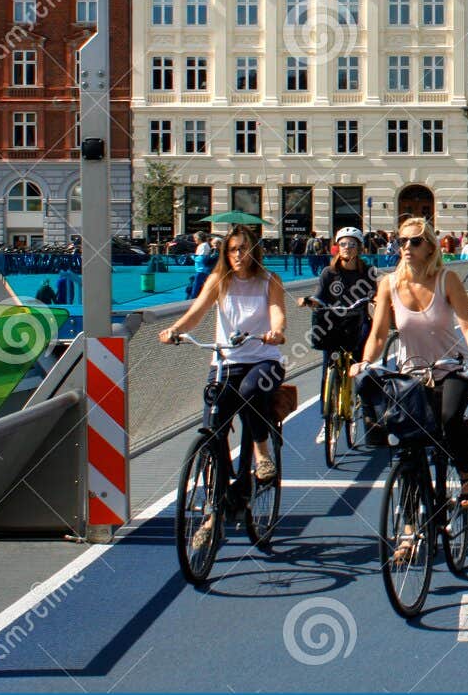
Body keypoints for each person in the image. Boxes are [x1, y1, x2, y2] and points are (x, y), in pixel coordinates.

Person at [352, 216, 468, 518]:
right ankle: (407, 528)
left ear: (430, 246)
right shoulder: (388, 284)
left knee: (450, 417)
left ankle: (467, 478)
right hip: (410, 374)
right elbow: (378, 334)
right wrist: (365, 362)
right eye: (402, 241)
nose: (407, 247)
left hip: (449, 368)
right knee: (408, 448)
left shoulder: (447, 279)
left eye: (414, 241)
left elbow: (467, 323)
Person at [158, 226, 286, 547]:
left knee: (251, 391)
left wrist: (277, 331)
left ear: (254, 250)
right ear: (224, 254)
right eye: (232, 250)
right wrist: (174, 330)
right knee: (212, 432)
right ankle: (214, 515)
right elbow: (196, 312)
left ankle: (261, 450)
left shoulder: (269, 281)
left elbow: (276, 312)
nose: (239, 255)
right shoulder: (219, 281)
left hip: (263, 359)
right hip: (225, 363)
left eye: (244, 248)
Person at [298, 227, 376, 375]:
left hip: (358, 319)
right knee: (328, 367)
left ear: (359, 248)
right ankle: (326, 396)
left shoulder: (367, 271)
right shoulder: (329, 272)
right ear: (338, 247)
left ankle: (360, 389)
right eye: (343, 244)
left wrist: (378, 301)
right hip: (334, 321)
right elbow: (319, 297)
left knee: (360, 354)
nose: (347, 248)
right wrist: (307, 300)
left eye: (352, 244)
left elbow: (374, 294)